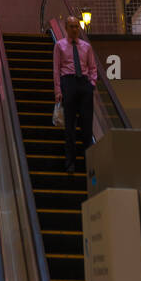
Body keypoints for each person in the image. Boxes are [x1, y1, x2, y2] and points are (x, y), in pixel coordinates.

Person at [53, 14, 98, 174]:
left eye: (77, 26)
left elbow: (92, 67)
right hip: (68, 83)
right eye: (71, 26)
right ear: (66, 28)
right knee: (70, 126)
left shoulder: (86, 47)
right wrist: (58, 90)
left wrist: (91, 84)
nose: (75, 29)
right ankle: (70, 163)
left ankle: (89, 164)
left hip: (84, 84)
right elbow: (56, 69)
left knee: (86, 126)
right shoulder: (59, 46)